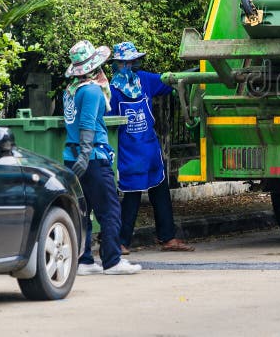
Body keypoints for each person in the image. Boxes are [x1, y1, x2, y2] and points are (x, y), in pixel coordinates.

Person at [63, 40, 142, 275]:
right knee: (110, 210)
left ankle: (84, 260)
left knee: (83, 211)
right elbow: (87, 124)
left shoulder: (70, 91)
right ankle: (112, 260)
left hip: (72, 156)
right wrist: (86, 154)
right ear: (95, 67)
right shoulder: (92, 90)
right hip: (93, 157)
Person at [109, 41, 193, 252]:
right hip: (128, 151)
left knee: (160, 192)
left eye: (132, 61)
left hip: (150, 150)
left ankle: (168, 238)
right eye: (124, 63)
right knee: (132, 194)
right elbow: (109, 125)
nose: (129, 66)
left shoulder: (144, 79)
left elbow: (168, 81)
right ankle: (121, 242)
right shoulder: (111, 91)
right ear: (116, 64)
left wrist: (193, 72)